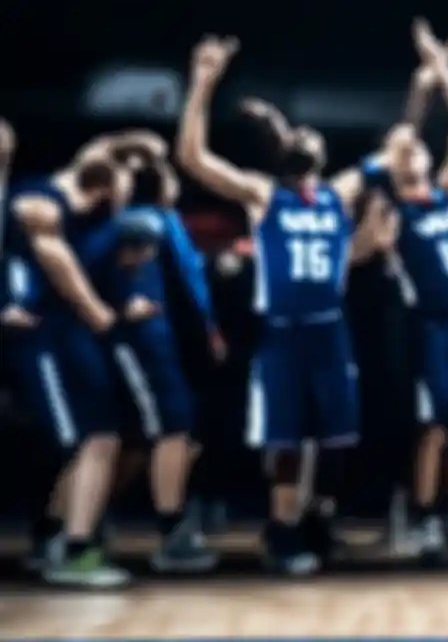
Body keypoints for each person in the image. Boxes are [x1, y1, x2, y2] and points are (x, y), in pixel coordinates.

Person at [177, 36, 362, 575]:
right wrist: (203, 84)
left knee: (334, 440)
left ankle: (317, 523)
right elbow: (192, 157)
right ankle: (281, 533)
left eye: (308, 134)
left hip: (332, 331)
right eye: (291, 136)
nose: (302, 138)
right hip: (282, 333)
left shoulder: (340, 192)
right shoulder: (263, 194)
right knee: (284, 440)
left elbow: (402, 149)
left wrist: (424, 91)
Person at [350, 17, 448, 562]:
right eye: (401, 150)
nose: (413, 152)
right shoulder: (389, 205)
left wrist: (440, 69)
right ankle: (425, 515)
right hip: (426, 325)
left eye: (415, 149)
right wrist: (374, 243)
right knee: (433, 428)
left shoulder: (446, 194)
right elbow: (355, 255)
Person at [1, 129, 157, 587]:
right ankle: (73, 552)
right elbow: (59, 267)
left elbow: (105, 149)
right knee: (93, 439)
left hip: (70, 337)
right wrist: (102, 318)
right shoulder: (40, 202)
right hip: (42, 337)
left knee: (104, 438)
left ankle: (59, 536)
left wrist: (141, 147)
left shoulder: (88, 216)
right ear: (107, 184)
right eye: (124, 183)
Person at [107, 152, 221, 573]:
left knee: (141, 441)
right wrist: (210, 336)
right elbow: (189, 290)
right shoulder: (151, 222)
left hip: (157, 344)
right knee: (173, 431)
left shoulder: (137, 221)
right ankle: (172, 534)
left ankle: (81, 522)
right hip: (147, 344)